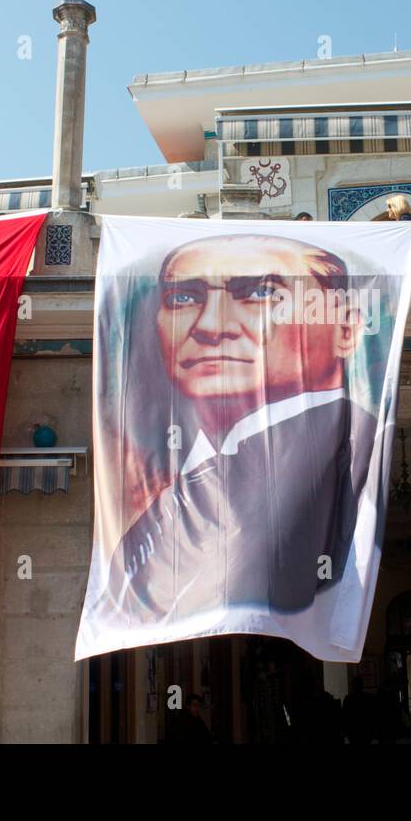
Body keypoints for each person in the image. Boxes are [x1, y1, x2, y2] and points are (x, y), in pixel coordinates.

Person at [105, 234, 379, 622]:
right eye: (184, 298)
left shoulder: (357, 463)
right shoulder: (172, 481)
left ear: (346, 328)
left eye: (260, 293)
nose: (211, 327)